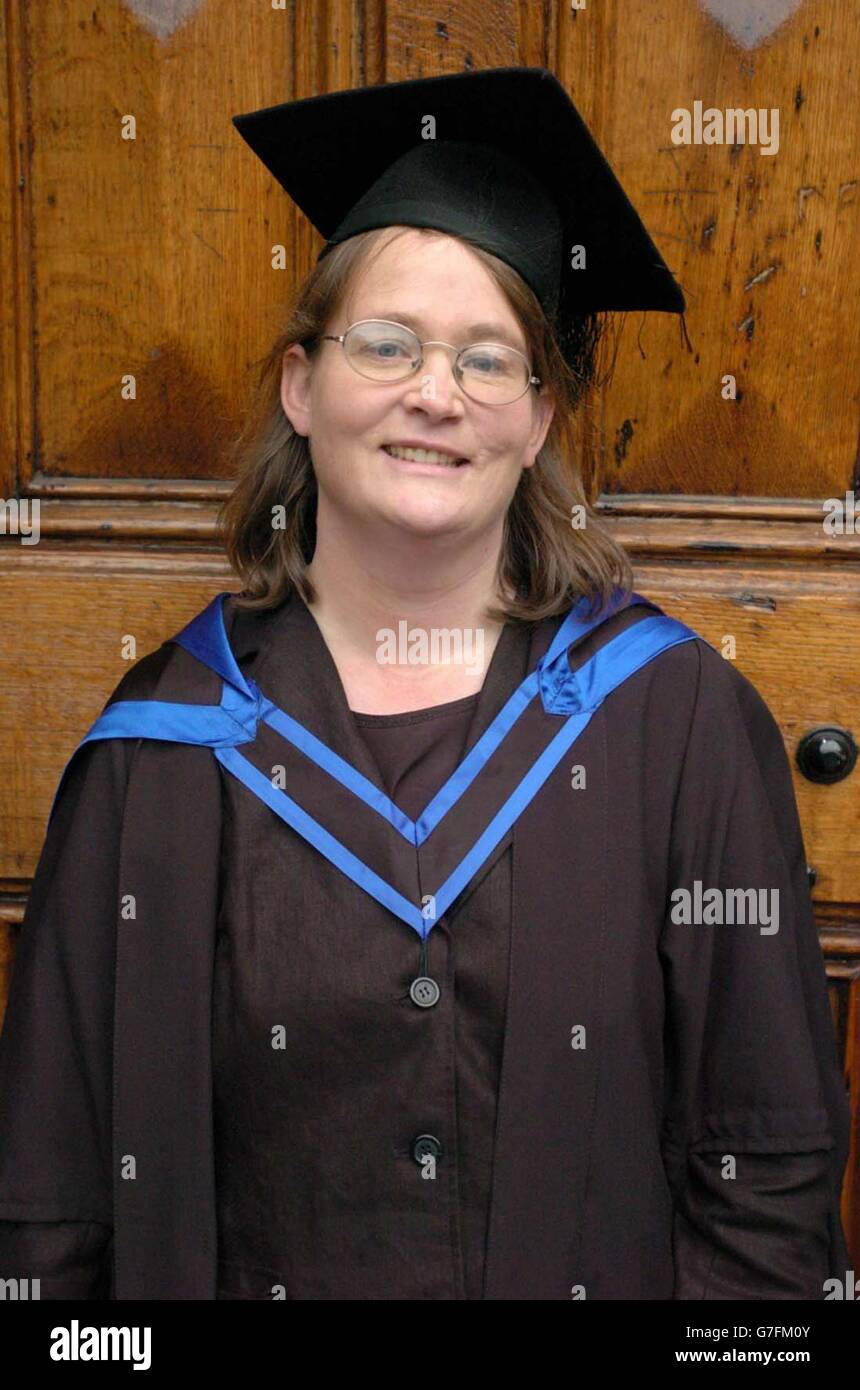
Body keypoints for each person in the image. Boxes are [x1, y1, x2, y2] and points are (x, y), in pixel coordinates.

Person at [0, 67, 850, 1300]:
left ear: (541, 415)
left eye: (488, 360)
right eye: (385, 343)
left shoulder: (674, 727)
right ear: (302, 384)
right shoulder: (159, 749)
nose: (434, 394)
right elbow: (50, 1202)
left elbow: (764, 1177)